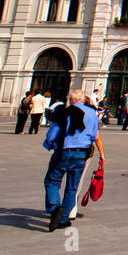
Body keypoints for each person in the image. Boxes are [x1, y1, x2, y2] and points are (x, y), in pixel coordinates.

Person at [42, 90, 103, 231]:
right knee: (72, 187)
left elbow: (52, 134)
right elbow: (94, 135)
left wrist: (48, 143)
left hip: (63, 152)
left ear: (70, 99)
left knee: (52, 181)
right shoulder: (92, 113)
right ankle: (63, 220)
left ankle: (55, 208)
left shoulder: (64, 111)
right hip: (81, 154)